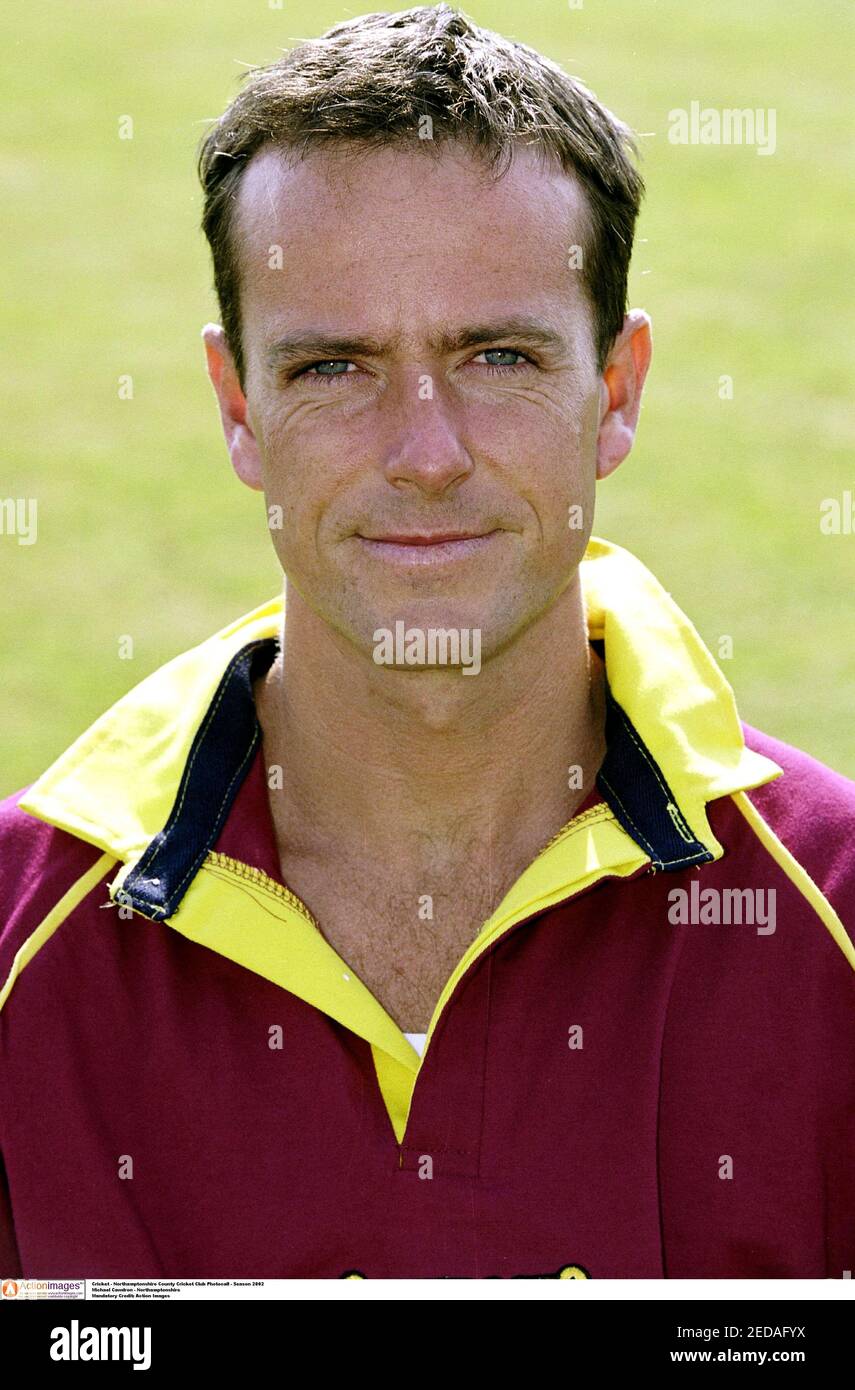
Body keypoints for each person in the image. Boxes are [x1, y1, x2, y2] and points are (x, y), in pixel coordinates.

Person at [1, 5, 853, 1281]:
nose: (426, 453)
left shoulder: (831, 922)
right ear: (238, 409)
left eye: (498, 355)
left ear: (615, 395)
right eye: (334, 369)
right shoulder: (22, 944)